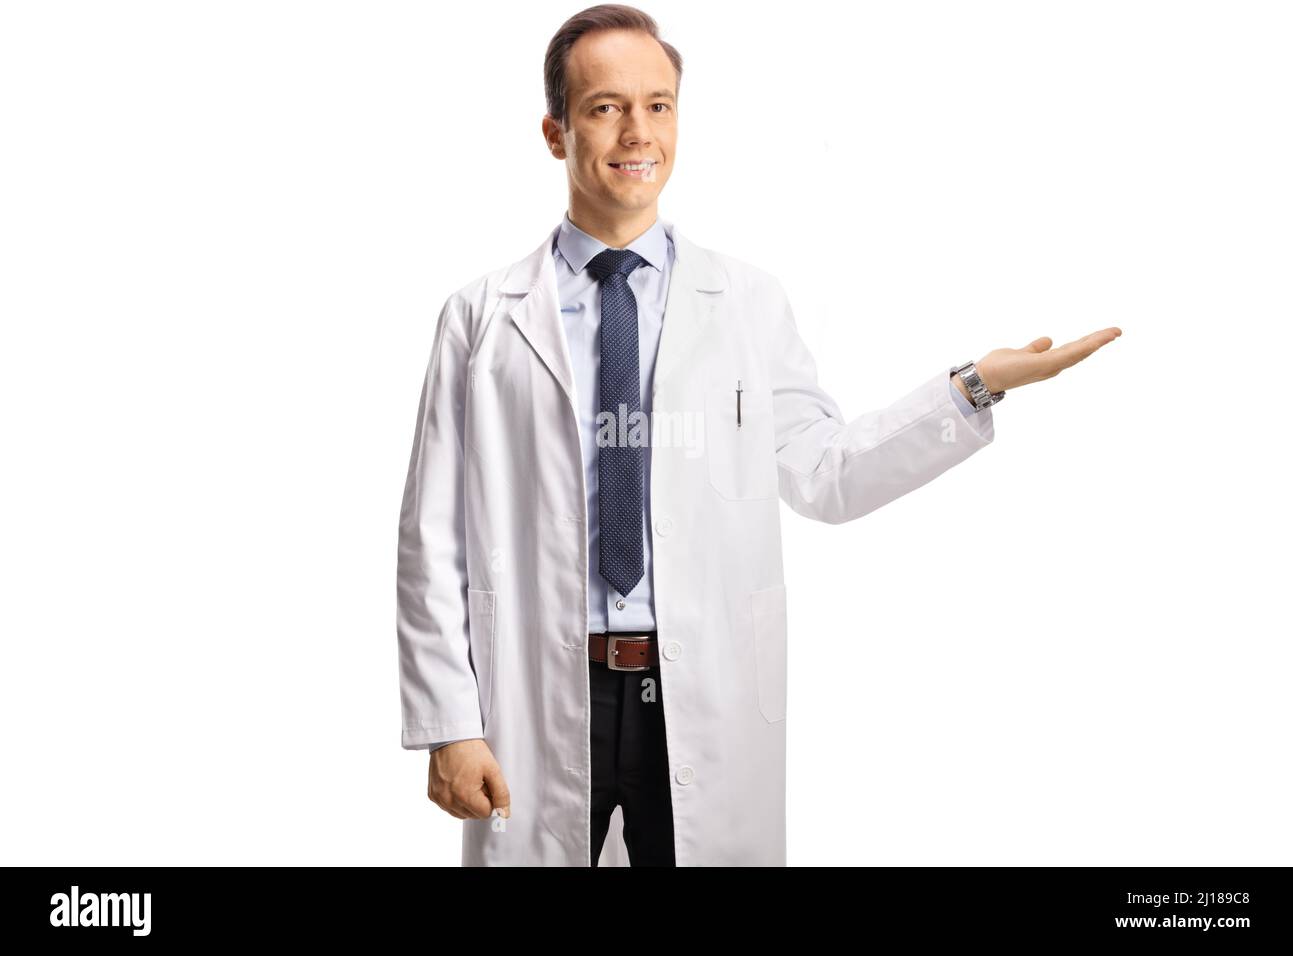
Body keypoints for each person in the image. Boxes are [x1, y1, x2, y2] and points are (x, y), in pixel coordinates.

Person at [395, 3, 1121, 867]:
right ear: (555, 132)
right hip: (541, 689)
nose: (638, 131)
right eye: (604, 107)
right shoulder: (482, 319)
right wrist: (449, 724)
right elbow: (432, 540)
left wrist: (975, 386)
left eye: (659, 104)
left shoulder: (744, 301)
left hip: (700, 689)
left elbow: (827, 472)